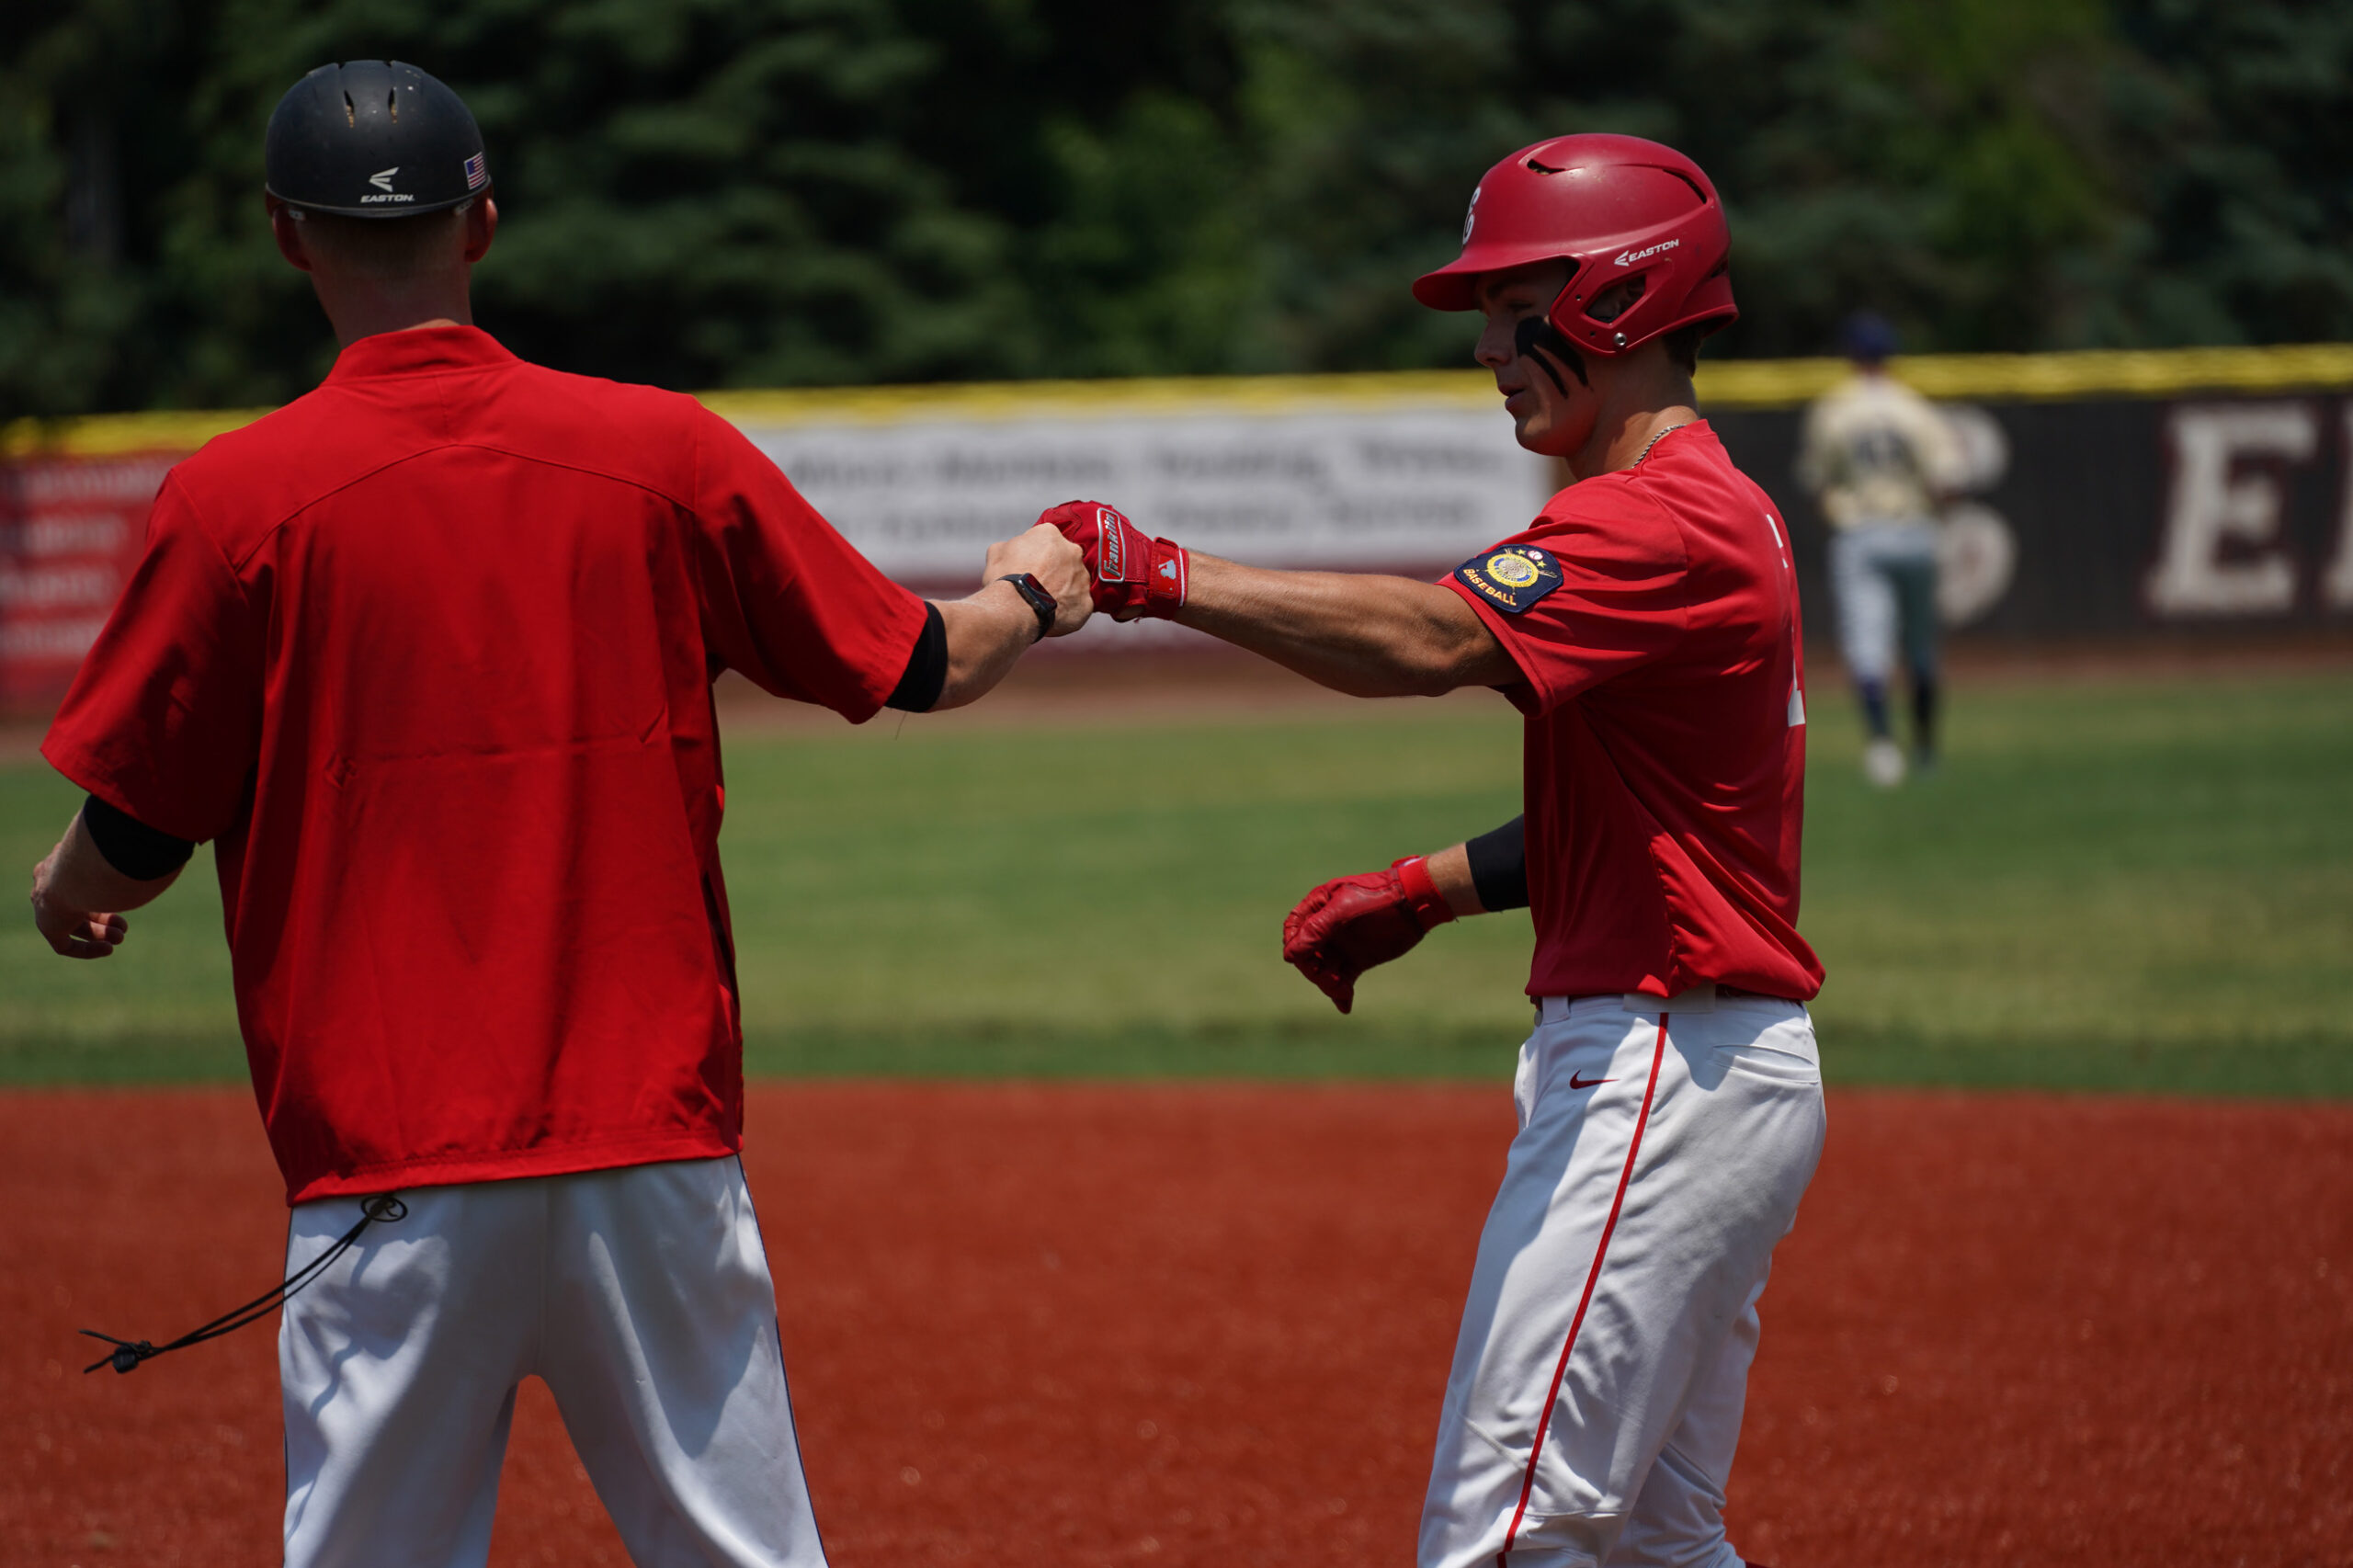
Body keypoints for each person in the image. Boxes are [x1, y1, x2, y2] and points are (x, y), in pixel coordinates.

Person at [27, 60, 1089, 1568]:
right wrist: (1034, 592)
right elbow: (925, 663)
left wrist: (67, 893)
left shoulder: (232, 501)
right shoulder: (663, 452)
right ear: (485, 224)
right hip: (649, 1142)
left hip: (386, 1163)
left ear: (283, 236)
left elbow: (135, 827)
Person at [1042, 134, 1824, 1568]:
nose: (1487, 348)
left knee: (1508, 1530)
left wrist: (1152, 575)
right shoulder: (1721, 505)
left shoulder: (1659, 517)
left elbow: (1432, 639)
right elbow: (1644, 827)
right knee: (1651, 1539)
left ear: (1615, 300)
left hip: (1658, 1063)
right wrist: (1425, 890)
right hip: (1705, 1061)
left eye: (1510, 305)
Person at [1795, 310, 1966, 786]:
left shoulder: (1834, 408)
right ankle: (1927, 751)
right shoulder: (1914, 407)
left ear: (1851, 355)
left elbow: (1815, 484)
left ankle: (1882, 748)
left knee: (1867, 646)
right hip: (1915, 531)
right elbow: (1948, 481)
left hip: (1861, 534)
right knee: (1920, 647)